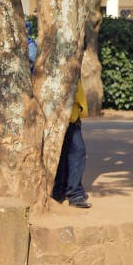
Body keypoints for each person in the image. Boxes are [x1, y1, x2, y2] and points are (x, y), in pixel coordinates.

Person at [52, 79, 91, 208]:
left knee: (69, 153)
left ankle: (66, 191)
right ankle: (73, 193)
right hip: (60, 118)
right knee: (74, 152)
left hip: (71, 118)